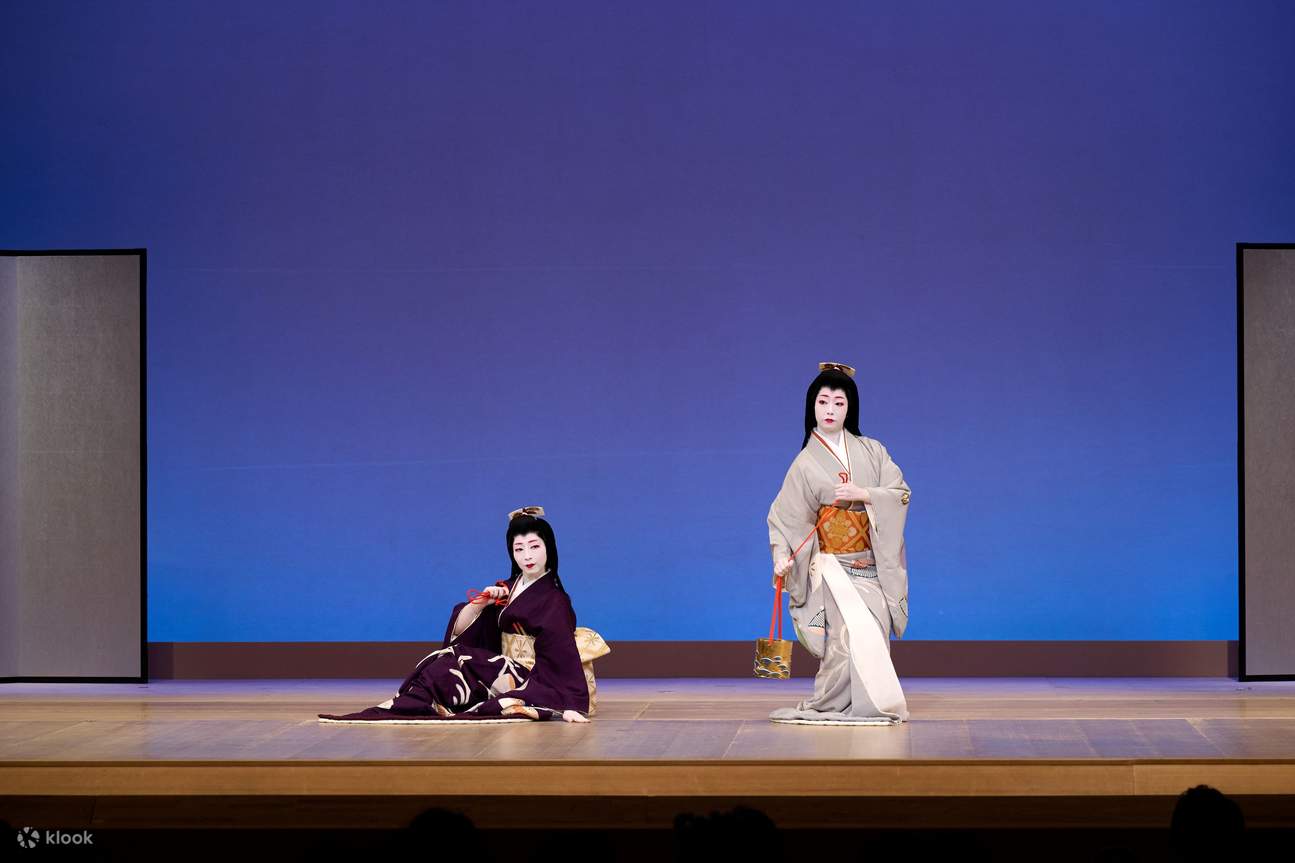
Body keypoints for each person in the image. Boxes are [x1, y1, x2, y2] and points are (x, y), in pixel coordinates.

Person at [318, 507, 590, 723]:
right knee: (444, 659)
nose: (527, 556)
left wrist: (570, 704)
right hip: (502, 665)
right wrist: (482, 603)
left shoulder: (555, 599)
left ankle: (413, 706)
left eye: (534, 546)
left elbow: (560, 653)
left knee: (457, 660)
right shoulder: (508, 588)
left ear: (548, 548)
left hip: (530, 676)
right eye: (519, 549)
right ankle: (408, 703)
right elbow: (462, 627)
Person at [766, 362, 912, 724]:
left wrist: (864, 494)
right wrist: (782, 556)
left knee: (874, 632)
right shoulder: (804, 464)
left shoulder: (873, 451)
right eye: (823, 402)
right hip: (831, 566)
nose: (830, 410)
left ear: (850, 408)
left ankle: (874, 702)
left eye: (839, 403)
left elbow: (900, 493)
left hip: (869, 563)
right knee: (843, 642)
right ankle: (831, 703)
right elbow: (785, 518)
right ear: (812, 406)